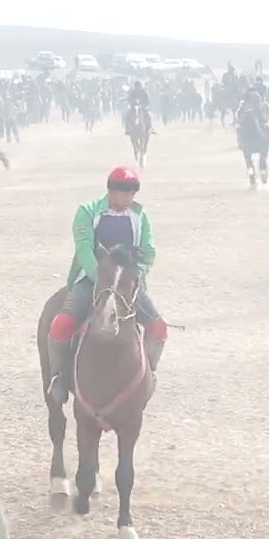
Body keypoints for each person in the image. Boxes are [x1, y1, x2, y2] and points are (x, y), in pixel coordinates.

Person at [45, 166, 167, 405]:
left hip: (126, 284)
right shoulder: (88, 212)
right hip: (91, 279)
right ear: (110, 191)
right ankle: (59, 377)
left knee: (159, 326)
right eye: (123, 193)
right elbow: (84, 249)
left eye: (132, 193)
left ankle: (148, 373)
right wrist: (101, 280)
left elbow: (149, 252)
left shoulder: (139, 216)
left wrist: (136, 275)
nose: (127, 198)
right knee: (62, 324)